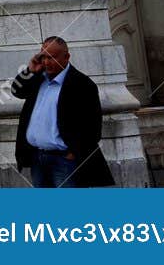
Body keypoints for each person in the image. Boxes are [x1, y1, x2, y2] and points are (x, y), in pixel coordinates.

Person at [12, 36, 115, 188]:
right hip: (37, 158)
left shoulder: (82, 84)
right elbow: (16, 91)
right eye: (44, 57)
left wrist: (72, 153)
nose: (46, 62)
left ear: (66, 57)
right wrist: (30, 70)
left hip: (65, 161)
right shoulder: (38, 78)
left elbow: (93, 128)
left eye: (52, 57)